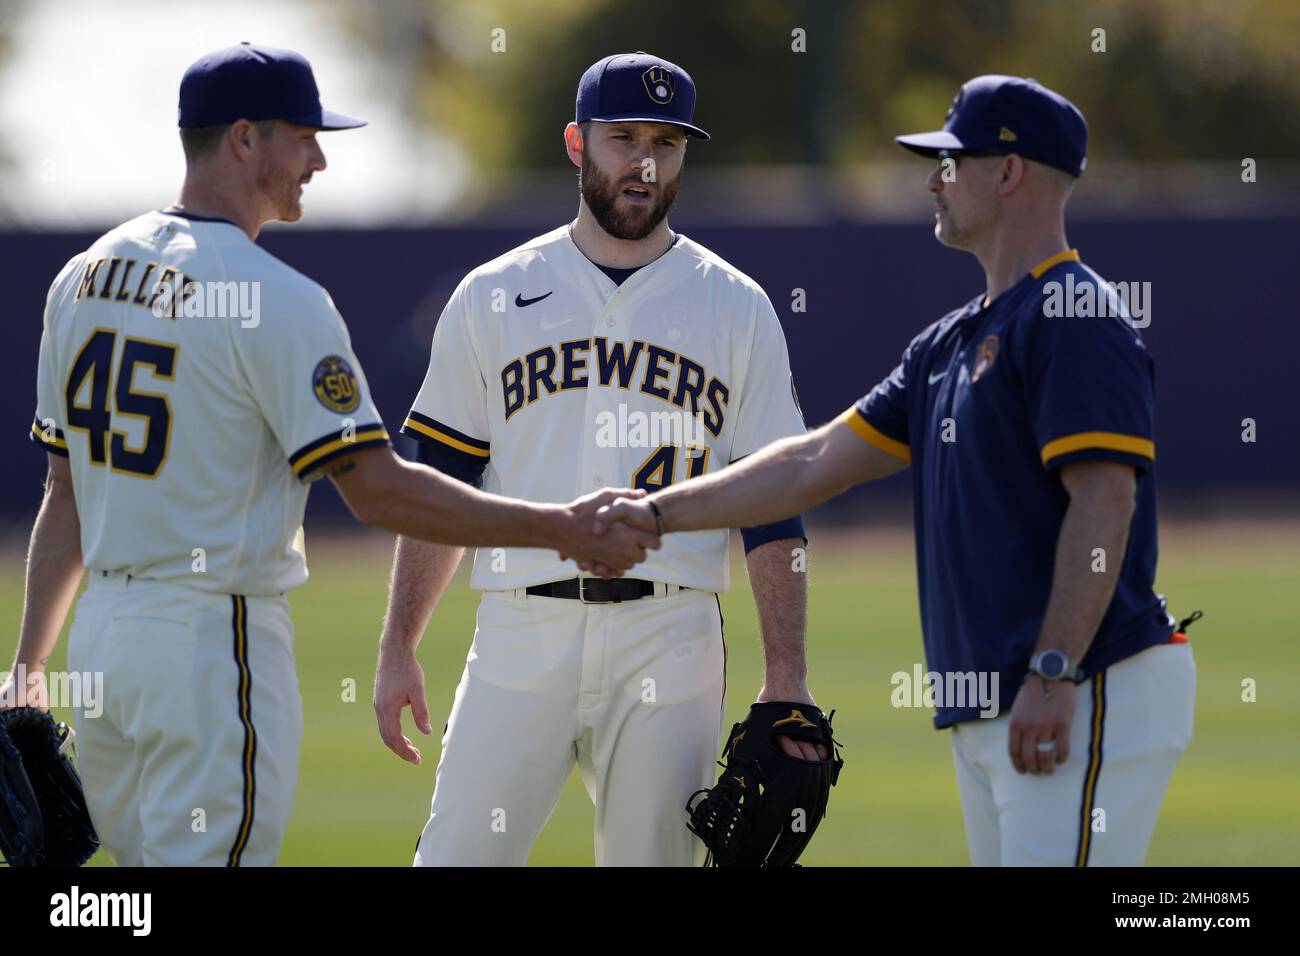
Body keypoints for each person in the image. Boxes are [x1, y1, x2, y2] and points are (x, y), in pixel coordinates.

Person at [0, 43, 655, 867]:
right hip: (212, 641)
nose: (318, 157)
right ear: (244, 139)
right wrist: (560, 526)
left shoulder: (81, 278)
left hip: (103, 644)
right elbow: (378, 492)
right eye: (303, 135)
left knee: (118, 903)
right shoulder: (277, 299)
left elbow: (64, 493)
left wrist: (28, 665)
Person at [593, 75, 1196, 867]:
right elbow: (813, 462)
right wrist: (660, 512)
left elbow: (1104, 503)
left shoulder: (1072, 316)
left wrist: (1054, 670)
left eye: (951, 162)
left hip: (1084, 678)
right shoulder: (948, 343)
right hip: (1002, 696)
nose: (931, 181)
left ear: (1009, 172)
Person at [375, 52, 823, 867]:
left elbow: (774, 502)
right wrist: (399, 642)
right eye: (625, 138)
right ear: (578, 144)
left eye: (667, 142)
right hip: (521, 624)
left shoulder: (736, 305)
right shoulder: (493, 293)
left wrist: (785, 674)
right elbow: (441, 484)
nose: (646, 163)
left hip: (672, 630)